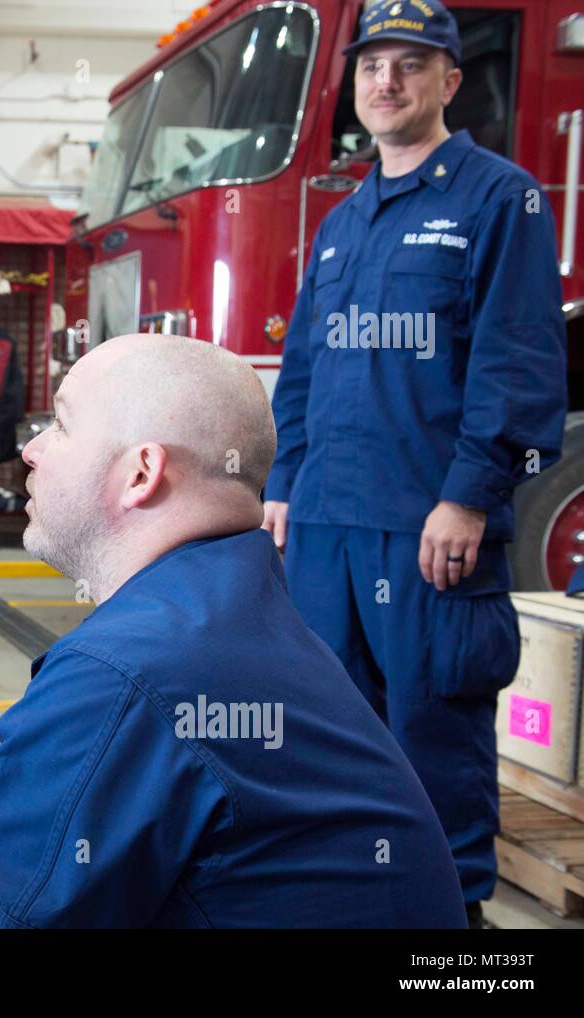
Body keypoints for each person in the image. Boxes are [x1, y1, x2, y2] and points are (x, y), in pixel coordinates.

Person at [0, 334, 467, 929]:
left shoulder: (136, 671)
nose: (31, 451)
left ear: (141, 473)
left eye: (59, 424)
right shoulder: (238, 615)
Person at [263, 0, 567, 927]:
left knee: (435, 728)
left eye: (409, 63)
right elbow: (306, 365)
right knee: (335, 731)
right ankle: (365, 900)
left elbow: (516, 360)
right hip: (326, 525)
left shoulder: (496, 196)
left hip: (426, 524)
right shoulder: (345, 219)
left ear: (448, 80)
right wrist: (283, 486)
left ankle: (452, 926)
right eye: (371, 67)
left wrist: (471, 498)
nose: (386, 82)